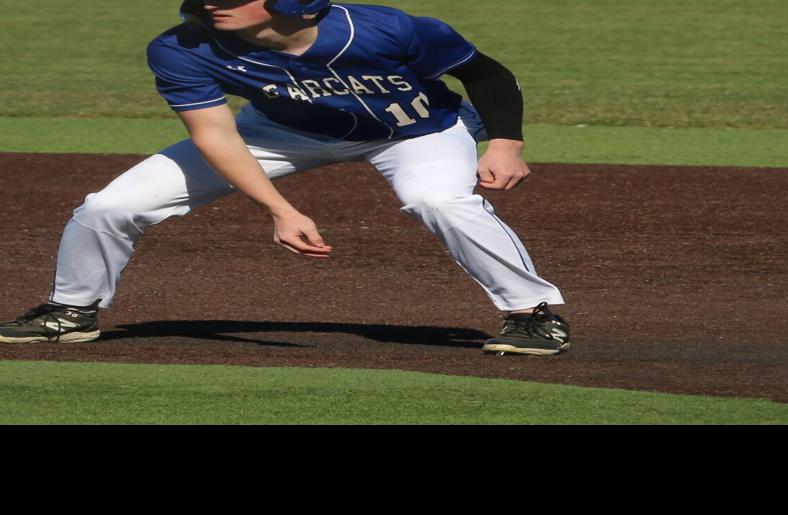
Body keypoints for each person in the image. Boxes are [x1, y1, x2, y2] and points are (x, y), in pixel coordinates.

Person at [0, 0, 570, 355]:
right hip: (277, 134)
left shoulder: (385, 30)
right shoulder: (184, 49)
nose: (210, 1)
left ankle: (532, 316)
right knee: (109, 205)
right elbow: (216, 136)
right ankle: (70, 309)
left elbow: (486, 74)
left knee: (438, 200)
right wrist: (280, 209)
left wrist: (506, 142)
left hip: (417, 132)